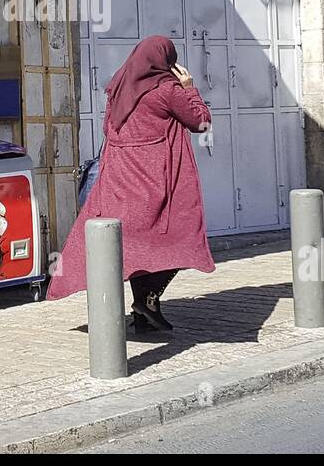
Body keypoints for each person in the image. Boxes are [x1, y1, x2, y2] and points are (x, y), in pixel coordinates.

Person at [47, 35, 215, 331]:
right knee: (181, 237)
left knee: (136, 245)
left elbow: (109, 128)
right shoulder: (167, 90)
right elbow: (200, 122)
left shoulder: (118, 88)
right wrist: (191, 89)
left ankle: (144, 313)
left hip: (120, 183)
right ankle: (148, 299)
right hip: (155, 182)